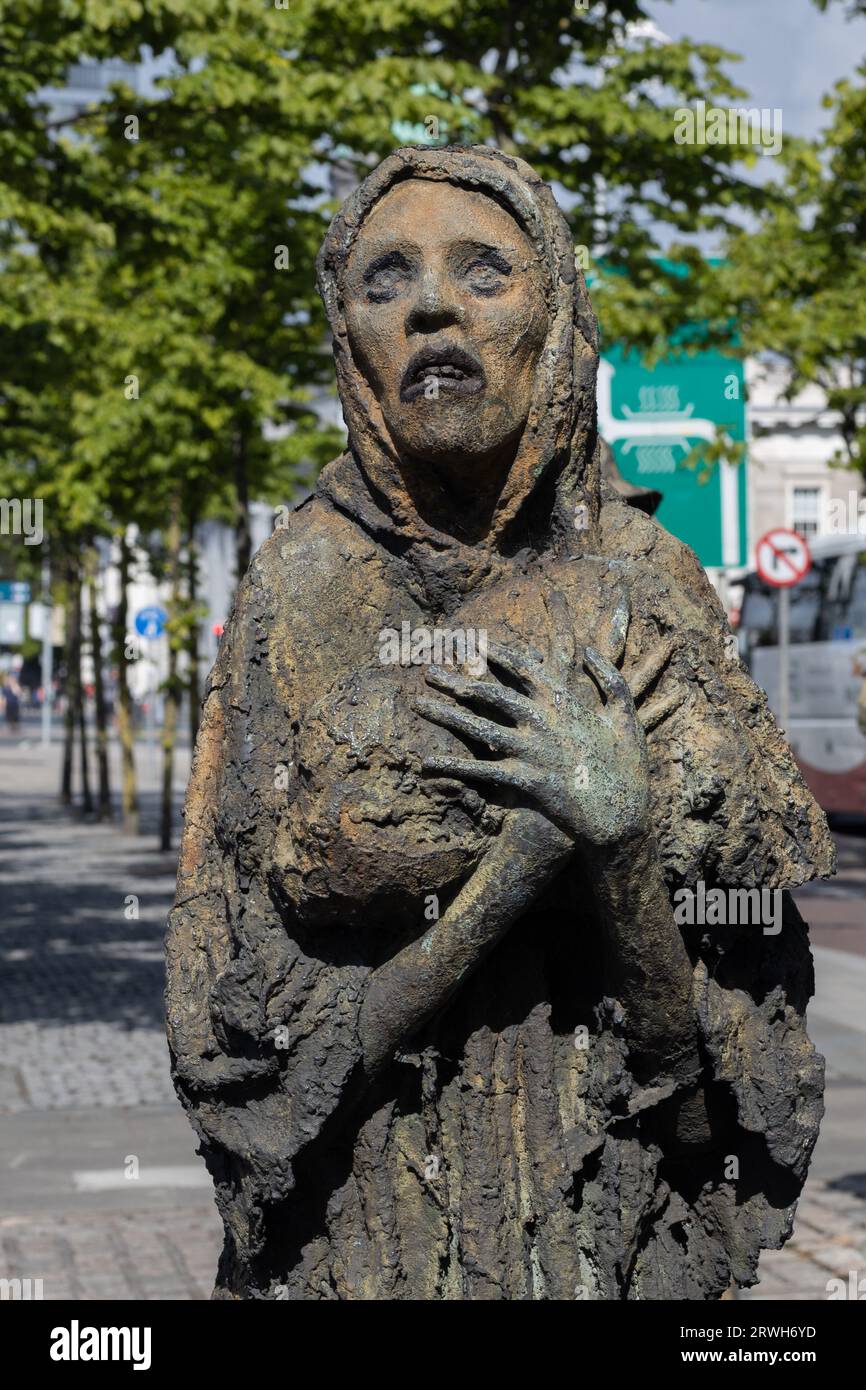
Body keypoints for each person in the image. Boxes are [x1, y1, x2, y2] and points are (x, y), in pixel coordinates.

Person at [166, 146, 834, 1301]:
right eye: (384, 281)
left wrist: (622, 852)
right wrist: (524, 858)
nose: (430, 304)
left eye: (483, 271)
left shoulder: (646, 581)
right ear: (348, 343)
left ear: (556, 315)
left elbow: (696, 1091)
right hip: (359, 1238)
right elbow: (252, 1054)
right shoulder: (298, 586)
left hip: (607, 1233)